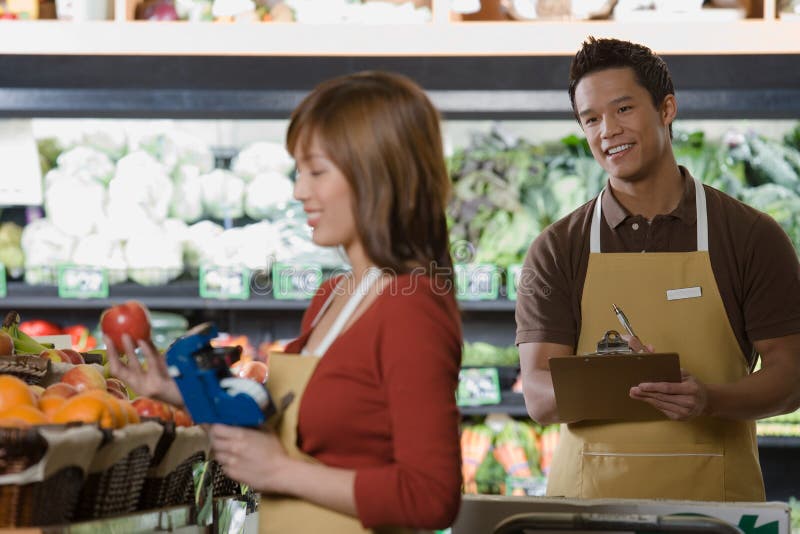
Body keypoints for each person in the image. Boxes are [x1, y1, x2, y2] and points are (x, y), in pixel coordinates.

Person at [108, 71, 463, 532]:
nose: (299, 191)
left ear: (377, 173)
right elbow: (282, 422)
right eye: (299, 171)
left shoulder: (410, 308)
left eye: (316, 171)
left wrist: (280, 472)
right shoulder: (332, 296)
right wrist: (175, 391)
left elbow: (431, 498)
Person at [515, 37, 800, 501]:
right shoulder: (557, 249)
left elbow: (791, 377)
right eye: (591, 119)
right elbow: (540, 396)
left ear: (667, 108)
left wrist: (710, 399)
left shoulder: (750, 236)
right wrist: (622, 379)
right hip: (591, 511)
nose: (607, 130)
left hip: (715, 509)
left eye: (623, 109)